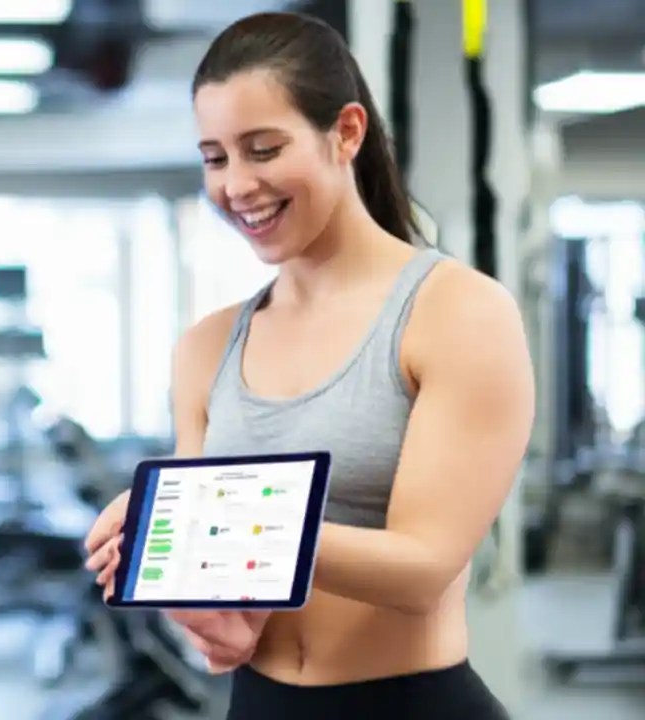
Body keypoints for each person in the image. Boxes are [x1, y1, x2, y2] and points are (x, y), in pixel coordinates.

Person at [83, 12, 533, 720]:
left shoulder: (457, 312)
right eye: (215, 157)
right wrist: (161, 565)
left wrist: (208, 519)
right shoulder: (208, 346)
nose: (237, 184)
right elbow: (224, 620)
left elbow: (425, 566)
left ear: (346, 132)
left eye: (263, 149)